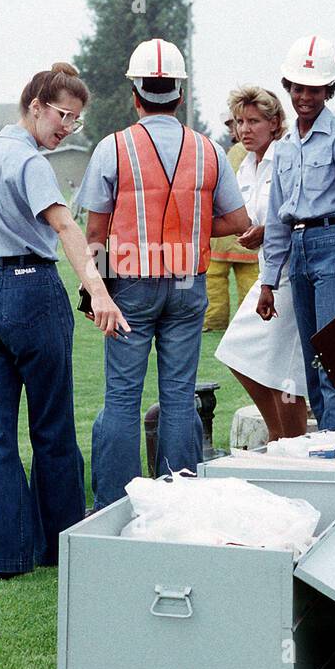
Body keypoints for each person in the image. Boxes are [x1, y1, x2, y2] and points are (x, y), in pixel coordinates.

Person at [0, 62, 129, 578]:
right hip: (32, 292)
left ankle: (4, 557)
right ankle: (58, 546)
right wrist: (98, 291)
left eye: (76, 122)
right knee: (52, 427)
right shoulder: (31, 163)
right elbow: (64, 228)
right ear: (34, 105)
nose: (66, 128)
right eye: (62, 116)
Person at [79, 38, 249, 509]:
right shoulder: (210, 150)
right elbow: (238, 221)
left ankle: (114, 504)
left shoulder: (113, 148)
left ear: (136, 93)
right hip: (187, 285)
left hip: (129, 283)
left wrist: (96, 290)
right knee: (177, 398)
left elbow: (95, 231)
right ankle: (181, 504)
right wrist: (191, 230)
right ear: (179, 94)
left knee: (122, 401)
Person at [256, 35, 335, 431]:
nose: (305, 96)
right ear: (288, 87)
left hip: (334, 246)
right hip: (300, 252)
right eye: (299, 87)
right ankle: (327, 444)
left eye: (315, 88)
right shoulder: (284, 146)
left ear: (328, 90)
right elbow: (276, 221)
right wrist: (267, 281)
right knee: (314, 361)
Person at [214, 86, 309, 440]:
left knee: (284, 369)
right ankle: (278, 432)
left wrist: (266, 231)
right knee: (236, 352)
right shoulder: (245, 165)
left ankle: (291, 441)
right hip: (268, 274)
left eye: (254, 121)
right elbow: (239, 217)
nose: (244, 129)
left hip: (294, 271)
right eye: (239, 122)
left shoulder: (288, 156)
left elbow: (300, 213)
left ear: (275, 123)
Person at [203, 114, 259, 331]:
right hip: (246, 234)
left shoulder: (232, 154)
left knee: (216, 282)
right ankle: (251, 322)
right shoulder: (248, 152)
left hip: (226, 232)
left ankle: (214, 323)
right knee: (249, 284)